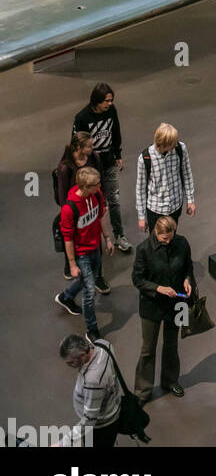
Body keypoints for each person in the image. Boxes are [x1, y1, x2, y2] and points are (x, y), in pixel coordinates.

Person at [132, 215, 196, 401]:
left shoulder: (182, 243)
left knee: (172, 345)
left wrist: (187, 280)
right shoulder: (143, 249)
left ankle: (170, 381)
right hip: (152, 306)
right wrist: (158, 288)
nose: (168, 241)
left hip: (177, 304)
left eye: (171, 236)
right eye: (164, 238)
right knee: (148, 349)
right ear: (156, 232)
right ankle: (142, 391)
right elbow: (137, 279)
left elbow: (188, 266)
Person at [55, 166, 115, 341]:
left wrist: (107, 238)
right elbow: (68, 239)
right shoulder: (69, 209)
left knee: (87, 280)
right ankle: (91, 330)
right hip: (81, 254)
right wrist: (72, 265)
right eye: (97, 184)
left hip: (95, 247)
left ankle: (66, 297)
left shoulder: (96, 194)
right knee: (89, 292)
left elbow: (101, 216)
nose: (100, 186)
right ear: (86, 187)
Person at [73, 84, 132, 252]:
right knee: (95, 203)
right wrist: (82, 167)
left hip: (108, 163)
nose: (110, 103)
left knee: (114, 200)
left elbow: (116, 133)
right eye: (107, 101)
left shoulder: (111, 111)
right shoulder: (82, 118)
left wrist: (117, 155)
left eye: (111, 100)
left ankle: (119, 236)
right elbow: (76, 143)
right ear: (97, 101)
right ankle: (94, 240)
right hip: (91, 168)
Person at [54, 132, 108, 291]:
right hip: (76, 210)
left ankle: (98, 277)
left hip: (92, 205)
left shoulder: (94, 158)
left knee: (96, 239)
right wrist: (70, 214)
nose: (93, 148)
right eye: (89, 146)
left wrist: (103, 202)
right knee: (72, 239)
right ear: (78, 147)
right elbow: (63, 197)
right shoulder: (65, 167)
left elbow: (101, 181)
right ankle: (71, 263)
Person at [60, 334, 122, 449]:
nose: (69, 366)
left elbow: (89, 420)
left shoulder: (93, 381)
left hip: (100, 427)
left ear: (83, 355)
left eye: (70, 362)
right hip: (113, 407)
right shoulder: (103, 344)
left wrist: (64, 442)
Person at [136, 123, 196, 233]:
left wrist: (190, 200)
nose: (176, 144)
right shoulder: (145, 158)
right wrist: (141, 216)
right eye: (173, 143)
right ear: (163, 145)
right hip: (155, 210)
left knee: (172, 237)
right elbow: (140, 189)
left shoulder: (180, 149)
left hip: (175, 206)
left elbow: (187, 174)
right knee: (156, 241)